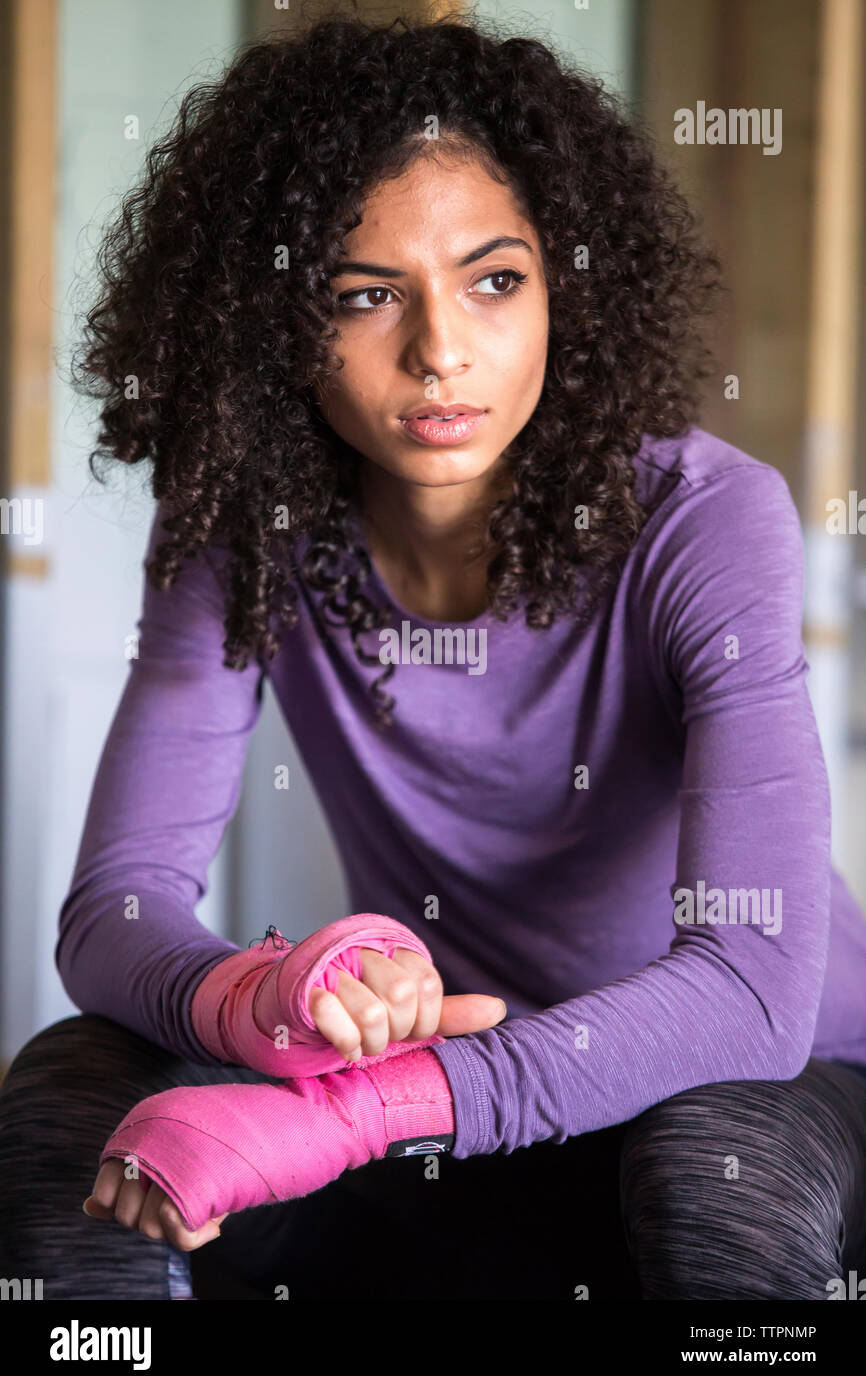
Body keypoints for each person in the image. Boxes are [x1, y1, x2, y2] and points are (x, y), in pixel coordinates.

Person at [2, 10, 866, 1302]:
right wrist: (269, 990)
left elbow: (747, 992)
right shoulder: (245, 526)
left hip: (753, 1083)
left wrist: (343, 1114)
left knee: (707, 1164)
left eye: (492, 278)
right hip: (448, 1091)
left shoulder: (698, 513)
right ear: (266, 320)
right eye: (363, 295)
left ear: (567, 285)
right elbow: (115, 911)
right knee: (77, 1084)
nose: (439, 350)